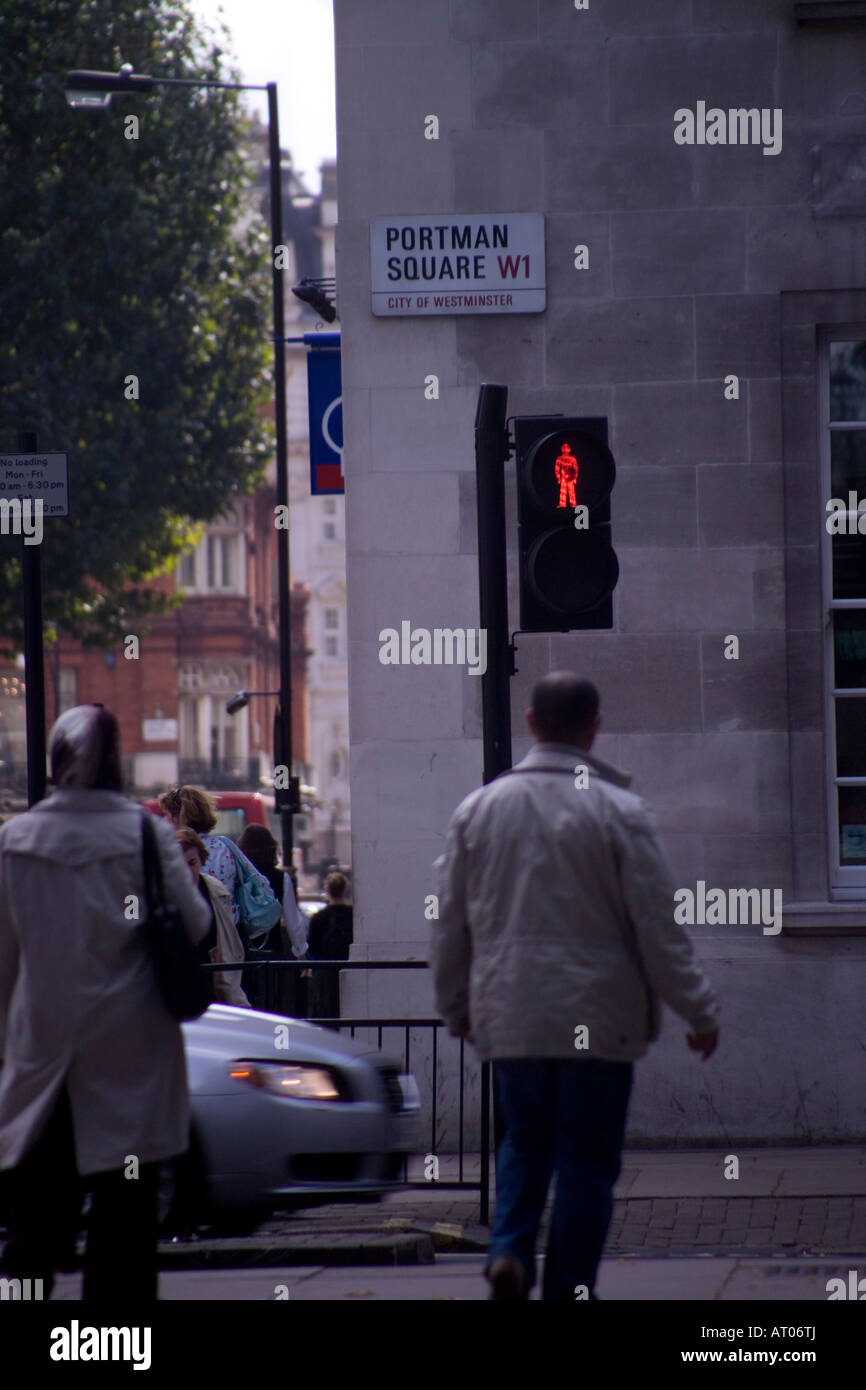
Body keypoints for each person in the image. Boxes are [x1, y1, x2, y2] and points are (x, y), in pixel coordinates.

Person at [430, 672, 720, 1302]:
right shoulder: (621, 811)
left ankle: (508, 1251)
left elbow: (449, 924)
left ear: (531, 723)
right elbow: (659, 930)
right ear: (594, 727)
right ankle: (568, 1289)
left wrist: (455, 1005)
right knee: (587, 1163)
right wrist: (698, 1012)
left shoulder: (478, 811)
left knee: (524, 1143)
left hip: (512, 1017)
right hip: (601, 1015)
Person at [0, 705, 211, 1301]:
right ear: (116, 764)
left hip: (44, 1057)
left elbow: (3, 964)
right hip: (131, 1058)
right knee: (124, 1231)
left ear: (55, 763)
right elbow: (194, 923)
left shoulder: (15, 841)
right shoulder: (143, 834)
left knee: (35, 1229)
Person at [157, 786, 275, 946]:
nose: (163, 821)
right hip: (231, 937)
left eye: (167, 816)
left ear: (180, 819)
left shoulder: (173, 852)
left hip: (193, 940)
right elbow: (262, 885)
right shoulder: (225, 846)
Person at [237, 824, 307, 1015]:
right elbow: (293, 920)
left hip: (243, 952)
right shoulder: (281, 878)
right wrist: (300, 950)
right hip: (273, 950)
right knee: (272, 1004)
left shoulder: (239, 876)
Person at [176, 826, 249, 1007]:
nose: (187, 871)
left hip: (211, 981)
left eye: (192, 863)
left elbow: (226, 939)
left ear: (201, 860)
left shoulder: (215, 890)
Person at [306, 872, 353, 1026]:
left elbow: (312, 946)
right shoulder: (352, 915)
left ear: (327, 889)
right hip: (348, 966)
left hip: (324, 969)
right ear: (345, 889)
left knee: (325, 1012)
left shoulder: (319, 917)